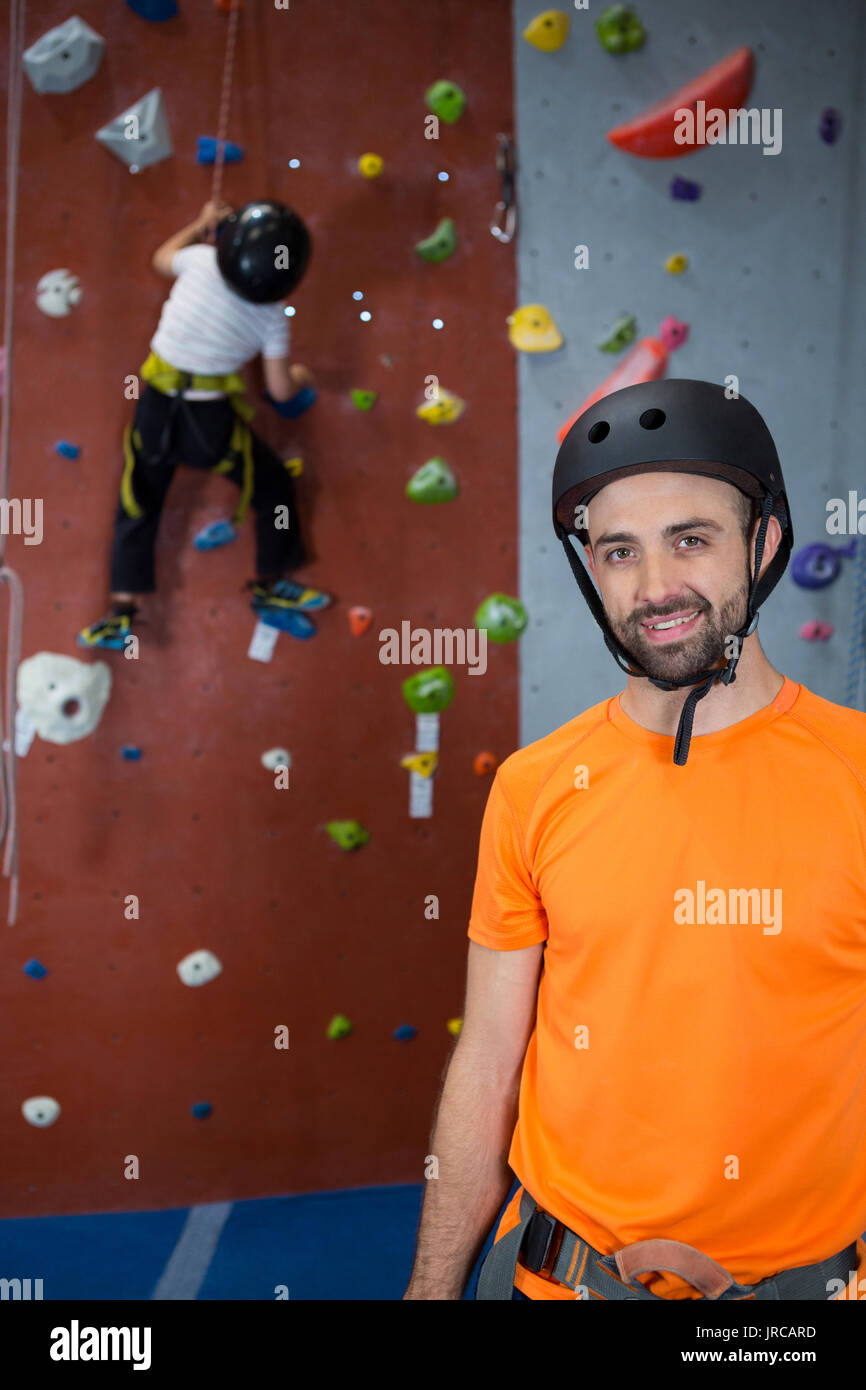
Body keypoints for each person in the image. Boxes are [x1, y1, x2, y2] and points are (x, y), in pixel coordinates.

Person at [404, 378, 866, 1301]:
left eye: (690, 539)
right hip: (555, 1281)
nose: (656, 588)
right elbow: (490, 1056)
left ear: (764, 544)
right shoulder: (534, 787)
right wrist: (429, 1290)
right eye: (620, 552)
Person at [79, 198, 332, 649]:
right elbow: (280, 391)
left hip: (154, 409)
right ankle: (271, 585)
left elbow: (160, 258)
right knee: (272, 484)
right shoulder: (272, 317)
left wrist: (199, 224)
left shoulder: (199, 261)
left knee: (138, 501)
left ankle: (120, 611)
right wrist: (302, 376)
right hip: (209, 426)